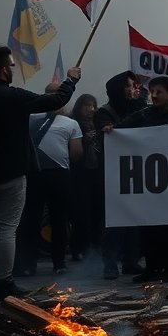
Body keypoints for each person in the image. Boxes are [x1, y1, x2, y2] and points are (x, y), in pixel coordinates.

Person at [0, 46, 79, 300]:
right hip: (12, 176)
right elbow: (55, 101)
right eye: (11, 66)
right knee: (7, 229)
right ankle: (4, 284)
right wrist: (71, 80)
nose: (13, 69)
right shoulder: (13, 97)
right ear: (2, 70)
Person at [14, 81, 83, 277]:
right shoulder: (30, 119)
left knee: (58, 219)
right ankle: (36, 263)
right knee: (32, 219)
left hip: (57, 175)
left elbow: (77, 152)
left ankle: (54, 262)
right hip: (35, 174)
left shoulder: (70, 123)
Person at [119, 77, 168, 283]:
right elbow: (122, 127)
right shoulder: (145, 114)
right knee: (148, 224)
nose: (154, 96)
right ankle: (152, 266)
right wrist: (110, 129)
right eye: (152, 91)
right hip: (149, 177)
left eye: (159, 92)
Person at [95, 72, 144, 279]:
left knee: (135, 220)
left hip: (138, 170)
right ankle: (110, 263)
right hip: (113, 174)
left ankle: (131, 261)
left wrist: (138, 103)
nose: (133, 89)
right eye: (129, 86)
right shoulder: (103, 113)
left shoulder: (138, 107)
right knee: (114, 222)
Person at [68, 93, 103, 260]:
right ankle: (79, 247)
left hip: (96, 173)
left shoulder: (98, 125)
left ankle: (96, 246)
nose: (91, 109)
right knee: (81, 212)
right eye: (87, 106)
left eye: (93, 105)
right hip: (79, 175)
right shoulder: (73, 125)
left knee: (97, 210)